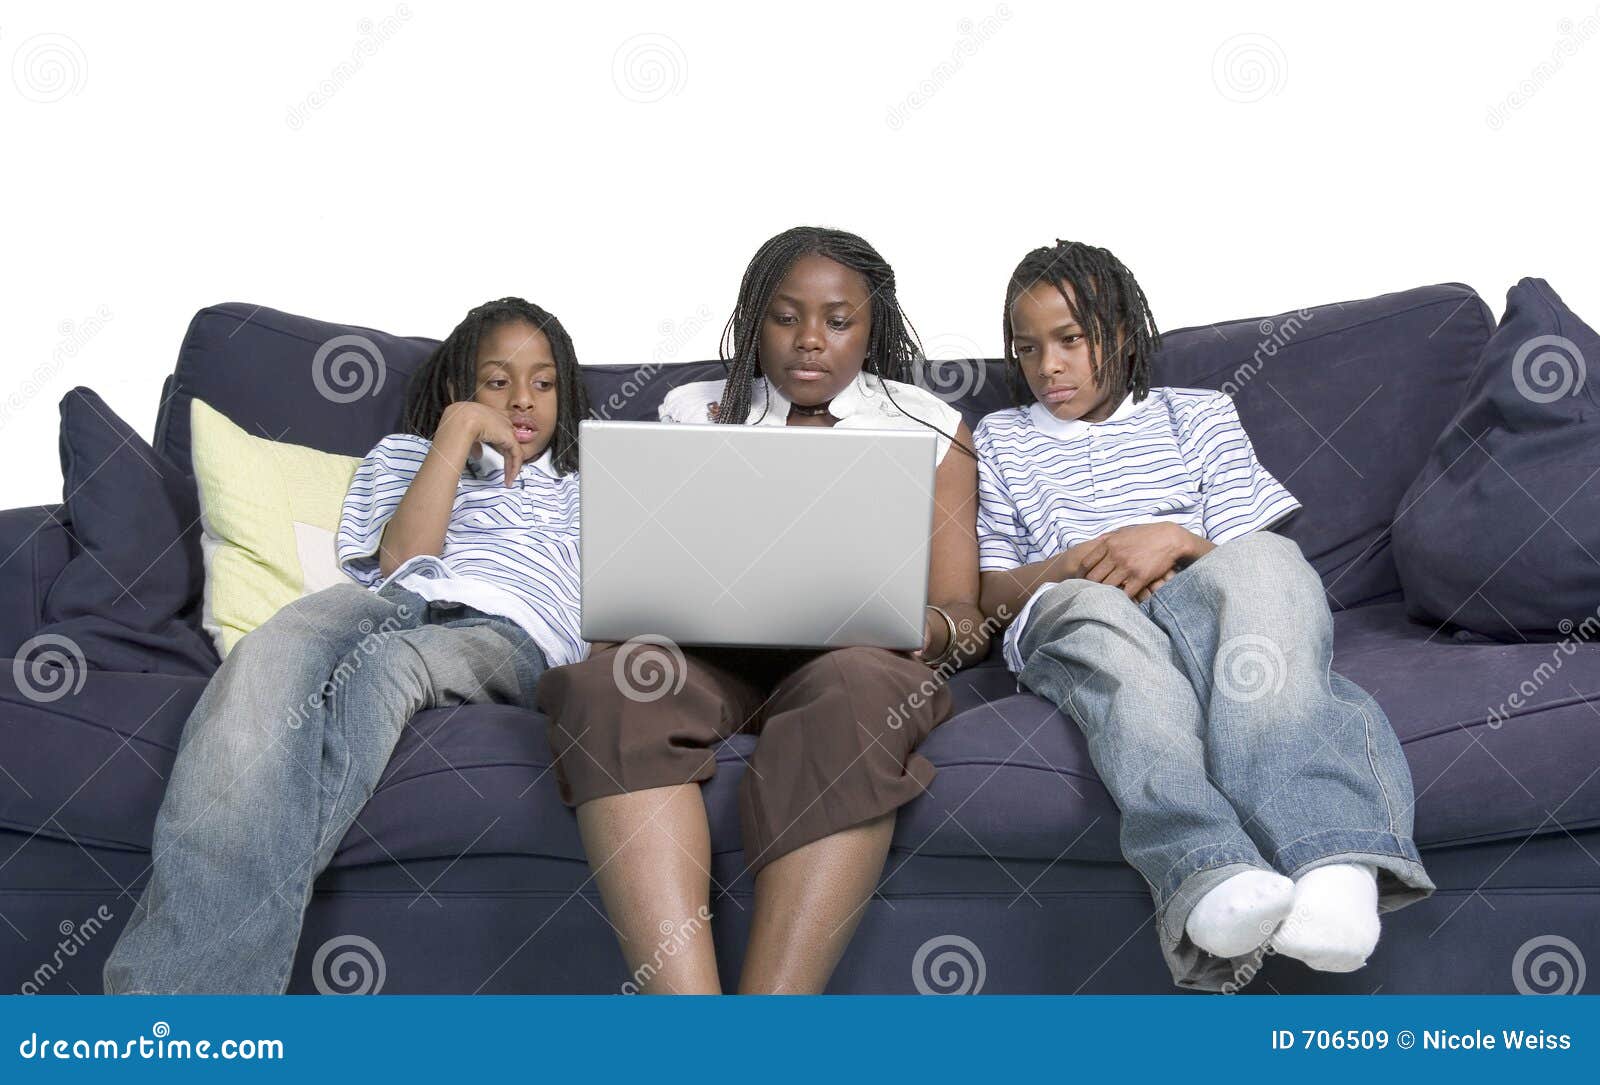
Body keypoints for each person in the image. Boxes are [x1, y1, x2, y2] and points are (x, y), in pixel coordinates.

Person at [538, 226, 989, 994]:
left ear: (873, 326)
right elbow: (648, 560)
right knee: (611, 684)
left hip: (852, 665)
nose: (810, 340)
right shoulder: (695, 409)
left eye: (838, 321)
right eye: (785, 317)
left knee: (861, 691)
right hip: (705, 658)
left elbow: (965, 615)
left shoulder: (930, 428)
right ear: (753, 320)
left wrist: (928, 627)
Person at [974, 240, 1434, 990]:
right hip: (1079, 603)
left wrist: (1175, 539)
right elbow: (992, 595)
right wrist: (1077, 559)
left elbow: (1248, 553)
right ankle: (1208, 873)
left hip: (1199, 591)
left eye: (1070, 341)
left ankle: (1332, 865)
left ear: (1122, 333)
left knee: (1270, 564)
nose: (1047, 367)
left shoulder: (1197, 413)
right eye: (1027, 349)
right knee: (1119, 654)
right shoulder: (1002, 439)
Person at [103, 297, 591, 993]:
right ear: (460, 391)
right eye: (496, 382)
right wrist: (454, 438)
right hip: (394, 599)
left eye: (544, 383)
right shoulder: (409, 455)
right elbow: (403, 560)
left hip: (509, 628)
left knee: (387, 668)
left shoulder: (583, 482)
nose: (521, 399)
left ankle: (174, 1002)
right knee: (268, 653)